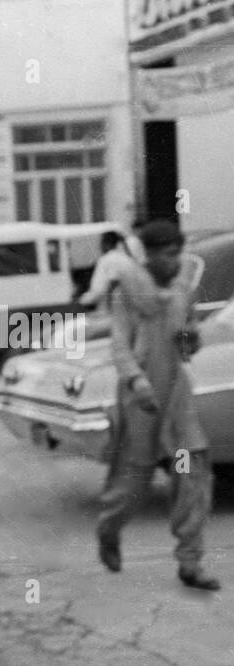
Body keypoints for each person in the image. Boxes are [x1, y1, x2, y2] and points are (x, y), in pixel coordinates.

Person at [96, 219, 219, 591]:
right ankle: (109, 530)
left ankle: (189, 562)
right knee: (133, 481)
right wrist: (137, 382)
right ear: (147, 255)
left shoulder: (182, 289)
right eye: (166, 255)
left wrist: (190, 339)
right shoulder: (127, 291)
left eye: (176, 254)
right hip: (141, 401)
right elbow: (119, 347)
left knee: (191, 472)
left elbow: (188, 342)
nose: (173, 261)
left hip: (176, 402)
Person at [79, 230, 136, 308]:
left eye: (100, 243)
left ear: (106, 244)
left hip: (110, 307)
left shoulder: (107, 259)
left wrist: (85, 300)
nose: (99, 247)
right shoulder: (125, 258)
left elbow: (111, 283)